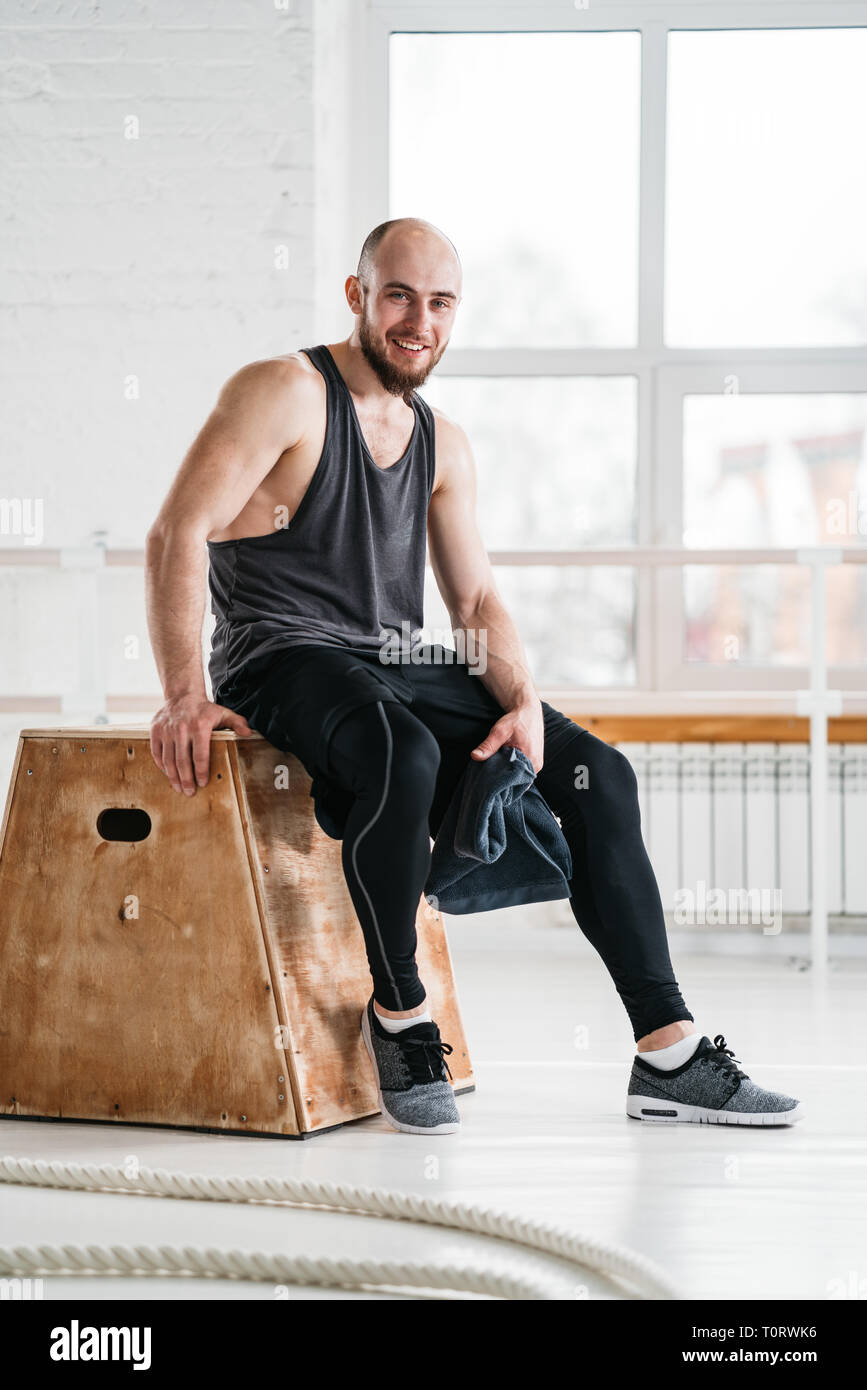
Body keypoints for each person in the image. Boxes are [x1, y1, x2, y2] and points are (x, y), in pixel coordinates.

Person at [146, 216, 802, 1135]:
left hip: (389, 658)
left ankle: (669, 1054)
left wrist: (522, 703)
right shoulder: (284, 392)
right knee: (400, 749)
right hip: (277, 656)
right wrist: (183, 692)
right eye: (399, 296)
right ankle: (400, 1016)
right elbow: (176, 532)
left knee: (597, 774)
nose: (419, 320)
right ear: (357, 296)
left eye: (440, 302)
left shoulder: (440, 440)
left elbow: (478, 597)